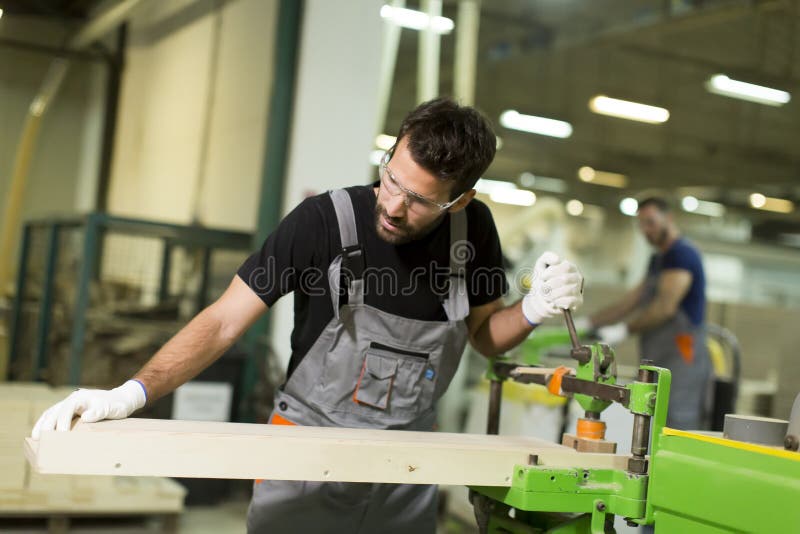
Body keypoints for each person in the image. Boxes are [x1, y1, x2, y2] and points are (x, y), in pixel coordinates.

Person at [31, 98, 584, 533]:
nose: (392, 206)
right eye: (391, 178)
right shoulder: (324, 221)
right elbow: (224, 321)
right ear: (390, 153)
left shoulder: (473, 232)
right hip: (305, 458)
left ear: (459, 201)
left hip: (409, 468)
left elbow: (487, 337)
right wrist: (130, 393)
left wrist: (534, 309)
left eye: (419, 201)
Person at [578, 197, 710, 430]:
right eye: (641, 225)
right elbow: (633, 300)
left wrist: (623, 330)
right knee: (654, 414)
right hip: (661, 356)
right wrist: (590, 322)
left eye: (650, 222)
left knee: (677, 420)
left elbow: (665, 308)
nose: (645, 231)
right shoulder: (658, 259)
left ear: (668, 219)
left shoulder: (682, 255)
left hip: (682, 353)